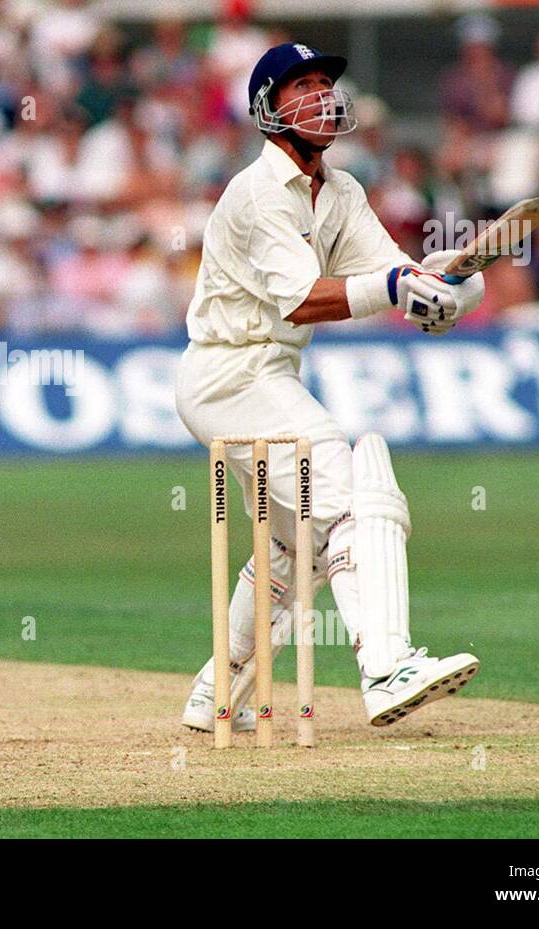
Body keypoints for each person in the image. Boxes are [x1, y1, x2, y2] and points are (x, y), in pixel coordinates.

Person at [177, 43, 484, 735]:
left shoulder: (341, 193)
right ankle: (386, 665)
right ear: (266, 109)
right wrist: (401, 286)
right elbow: (301, 300)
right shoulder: (256, 193)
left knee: (297, 546)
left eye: (325, 83)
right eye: (300, 86)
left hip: (268, 375)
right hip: (229, 372)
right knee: (350, 495)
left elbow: (393, 274)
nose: (320, 96)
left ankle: (218, 689)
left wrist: (448, 288)